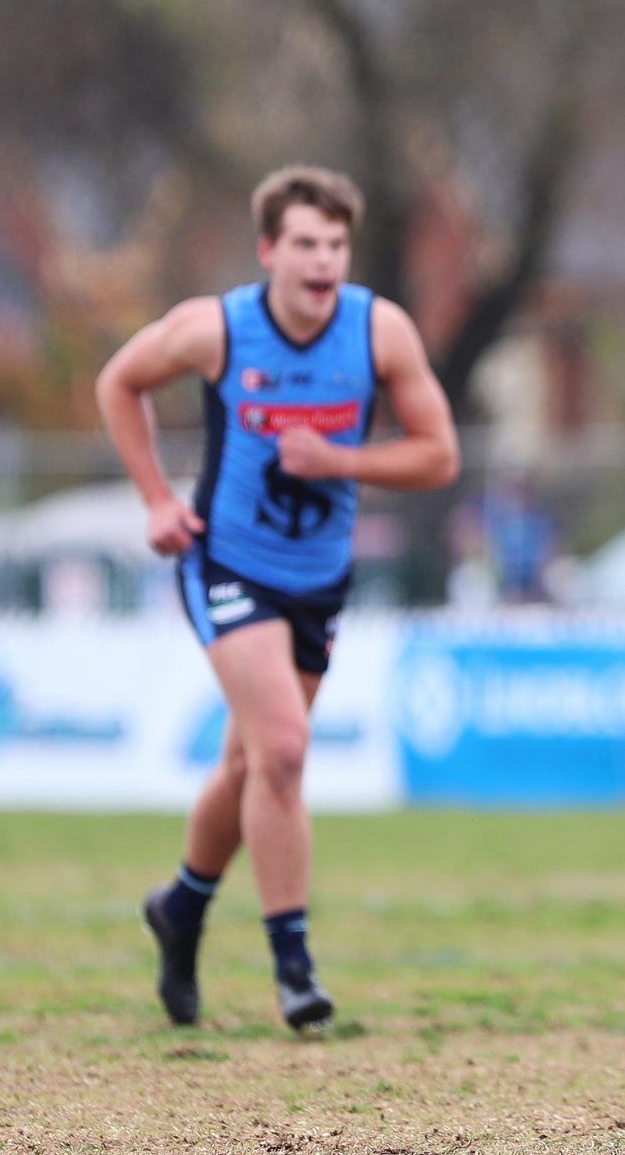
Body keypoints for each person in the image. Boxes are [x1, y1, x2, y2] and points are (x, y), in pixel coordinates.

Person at [95, 166, 459, 1033]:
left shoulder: (380, 331)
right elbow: (118, 381)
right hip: (225, 563)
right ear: (269, 251)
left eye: (336, 243)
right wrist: (154, 497)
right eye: (305, 242)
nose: (323, 259)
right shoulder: (217, 329)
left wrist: (341, 462)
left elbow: (439, 456)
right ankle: (292, 964)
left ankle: (180, 907)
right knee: (286, 751)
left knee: (248, 763)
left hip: (316, 580)